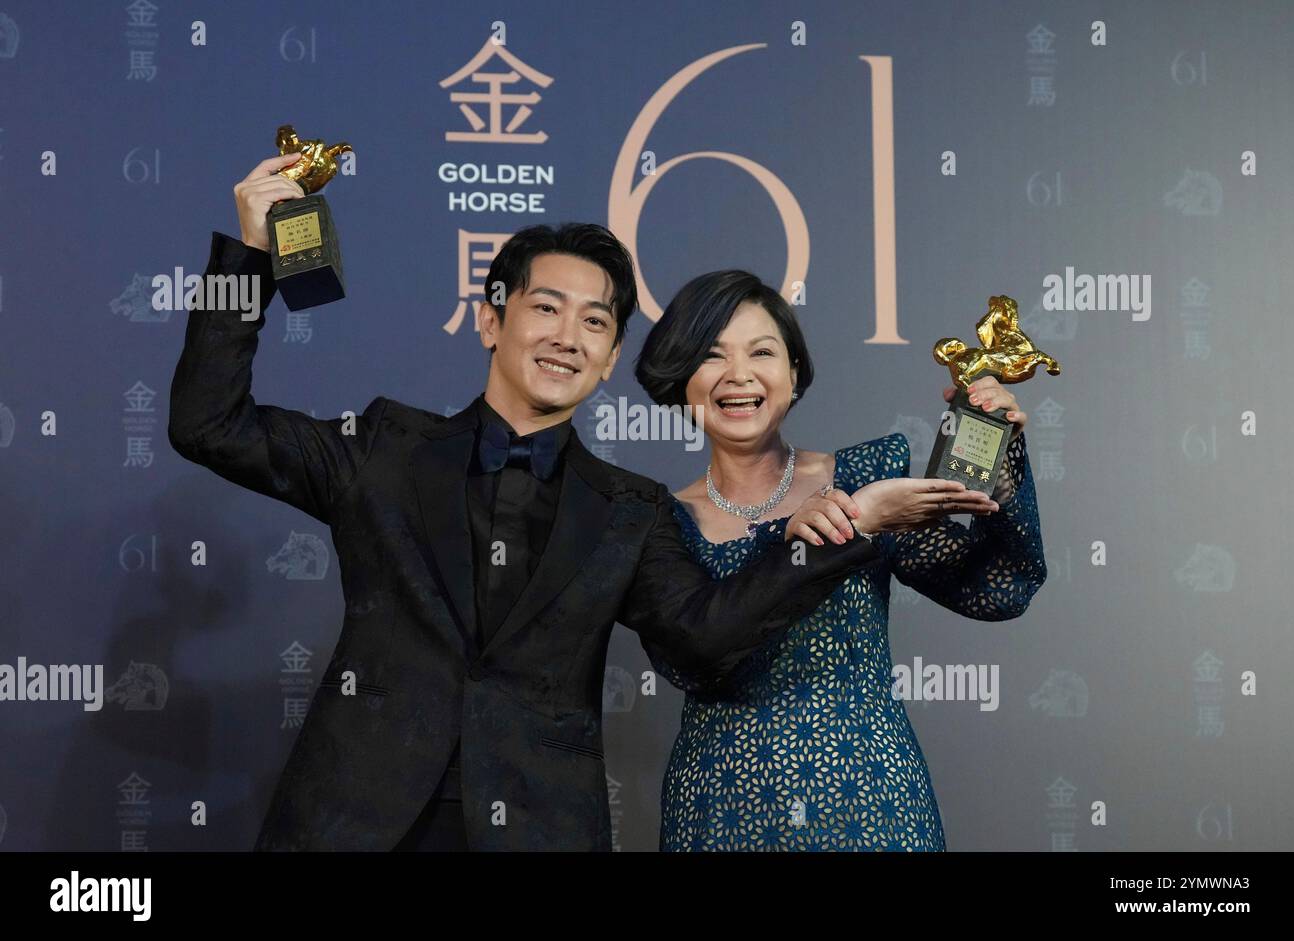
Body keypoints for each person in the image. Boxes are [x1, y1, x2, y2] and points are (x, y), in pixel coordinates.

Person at [166, 153, 973, 851]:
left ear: (611, 355)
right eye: (546, 307)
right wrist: (248, 257)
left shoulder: (631, 509)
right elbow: (210, 423)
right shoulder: (383, 448)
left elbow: (705, 636)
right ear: (491, 319)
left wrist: (846, 527)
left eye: (595, 321)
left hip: (539, 829)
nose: (567, 335)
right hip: (352, 822)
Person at [634, 269, 1048, 851]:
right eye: (712, 356)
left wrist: (999, 467)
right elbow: (693, 658)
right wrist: (844, 529)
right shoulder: (655, 523)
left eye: (762, 351)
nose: (740, 375)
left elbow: (1000, 588)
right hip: (720, 812)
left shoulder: (863, 477)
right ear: (682, 378)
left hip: (872, 805)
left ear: (794, 373)